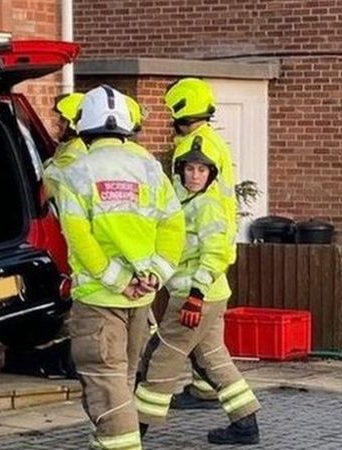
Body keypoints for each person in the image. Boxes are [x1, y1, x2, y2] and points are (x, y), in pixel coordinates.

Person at [57, 85, 185, 450]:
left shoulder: (77, 171)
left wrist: (118, 280)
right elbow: (173, 226)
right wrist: (154, 277)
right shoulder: (149, 167)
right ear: (127, 126)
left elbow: (79, 239)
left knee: (105, 385)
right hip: (142, 301)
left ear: (84, 127)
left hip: (100, 299)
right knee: (122, 384)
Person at [135, 134, 261, 445]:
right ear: (181, 171)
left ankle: (133, 430)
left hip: (196, 297)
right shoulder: (185, 201)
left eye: (202, 171)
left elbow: (215, 253)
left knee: (161, 358)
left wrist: (195, 296)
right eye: (190, 169)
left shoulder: (207, 206)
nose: (195, 176)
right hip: (208, 296)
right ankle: (246, 424)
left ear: (211, 175)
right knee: (213, 359)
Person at [164, 77, 237, 408]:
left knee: (175, 344)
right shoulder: (214, 141)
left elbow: (179, 206)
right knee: (210, 341)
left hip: (199, 256)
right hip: (216, 249)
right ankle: (207, 390)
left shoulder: (191, 147)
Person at [44, 92, 87, 197]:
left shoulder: (72, 152)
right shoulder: (69, 145)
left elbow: (48, 185)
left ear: (74, 124)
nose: (58, 123)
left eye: (63, 120)